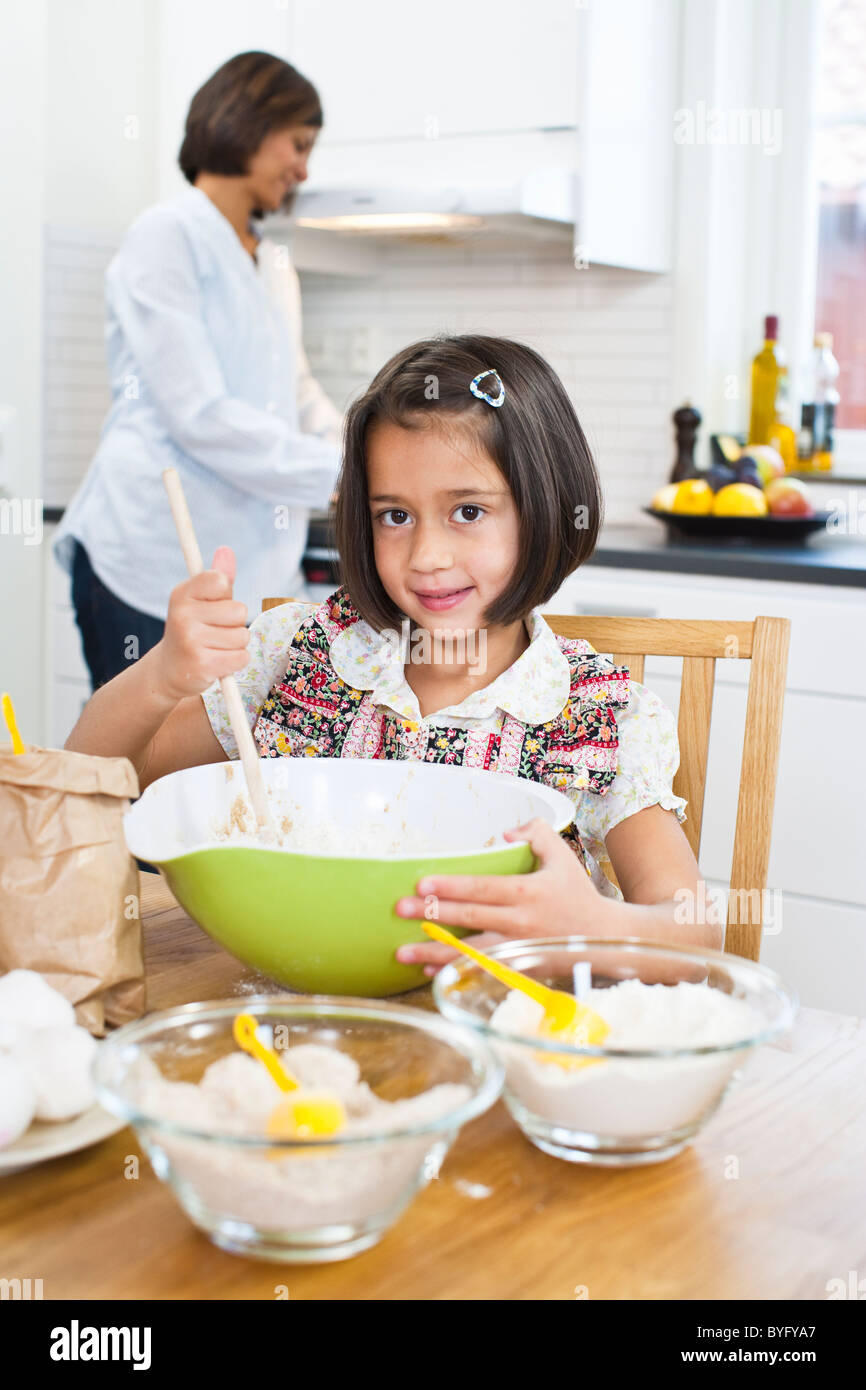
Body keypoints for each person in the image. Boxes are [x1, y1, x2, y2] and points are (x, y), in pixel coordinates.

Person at [66, 334, 714, 972]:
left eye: (467, 511)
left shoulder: (594, 714)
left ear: (545, 507)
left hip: (498, 1034)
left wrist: (594, 929)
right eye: (394, 517)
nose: (427, 557)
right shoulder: (299, 654)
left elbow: (695, 930)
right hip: (290, 1001)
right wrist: (162, 677)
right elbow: (94, 777)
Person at [53, 51, 341, 690]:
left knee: (224, 774)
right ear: (249, 122)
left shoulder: (271, 261)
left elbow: (295, 390)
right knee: (144, 773)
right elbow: (197, 414)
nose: (304, 168)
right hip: (150, 561)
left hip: (245, 568)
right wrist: (336, 473)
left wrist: (370, 453)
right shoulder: (166, 234)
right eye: (298, 143)